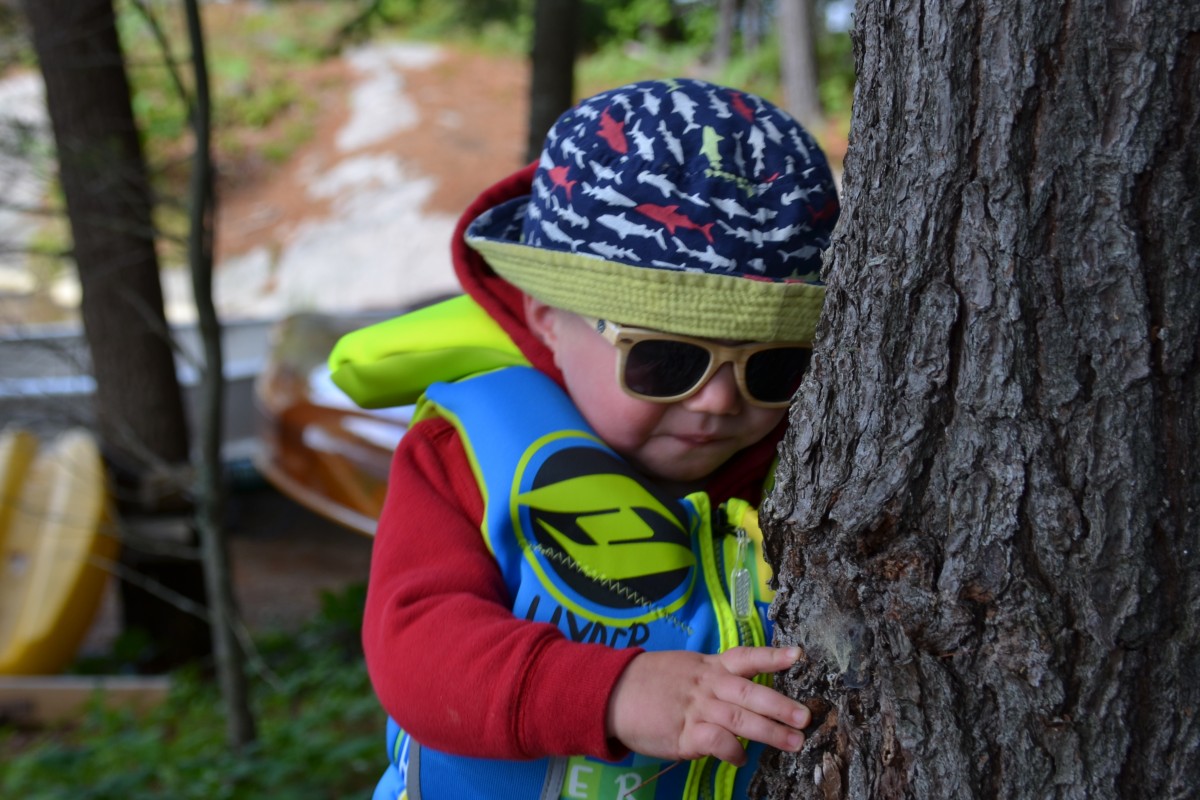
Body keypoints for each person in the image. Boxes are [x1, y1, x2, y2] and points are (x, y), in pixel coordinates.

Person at [329, 77, 840, 800]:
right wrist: (613, 692)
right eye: (666, 358)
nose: (721, 399)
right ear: (545, 318)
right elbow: (414, 648)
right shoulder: (464, 455)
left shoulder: (806, 463)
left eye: (775, 364)